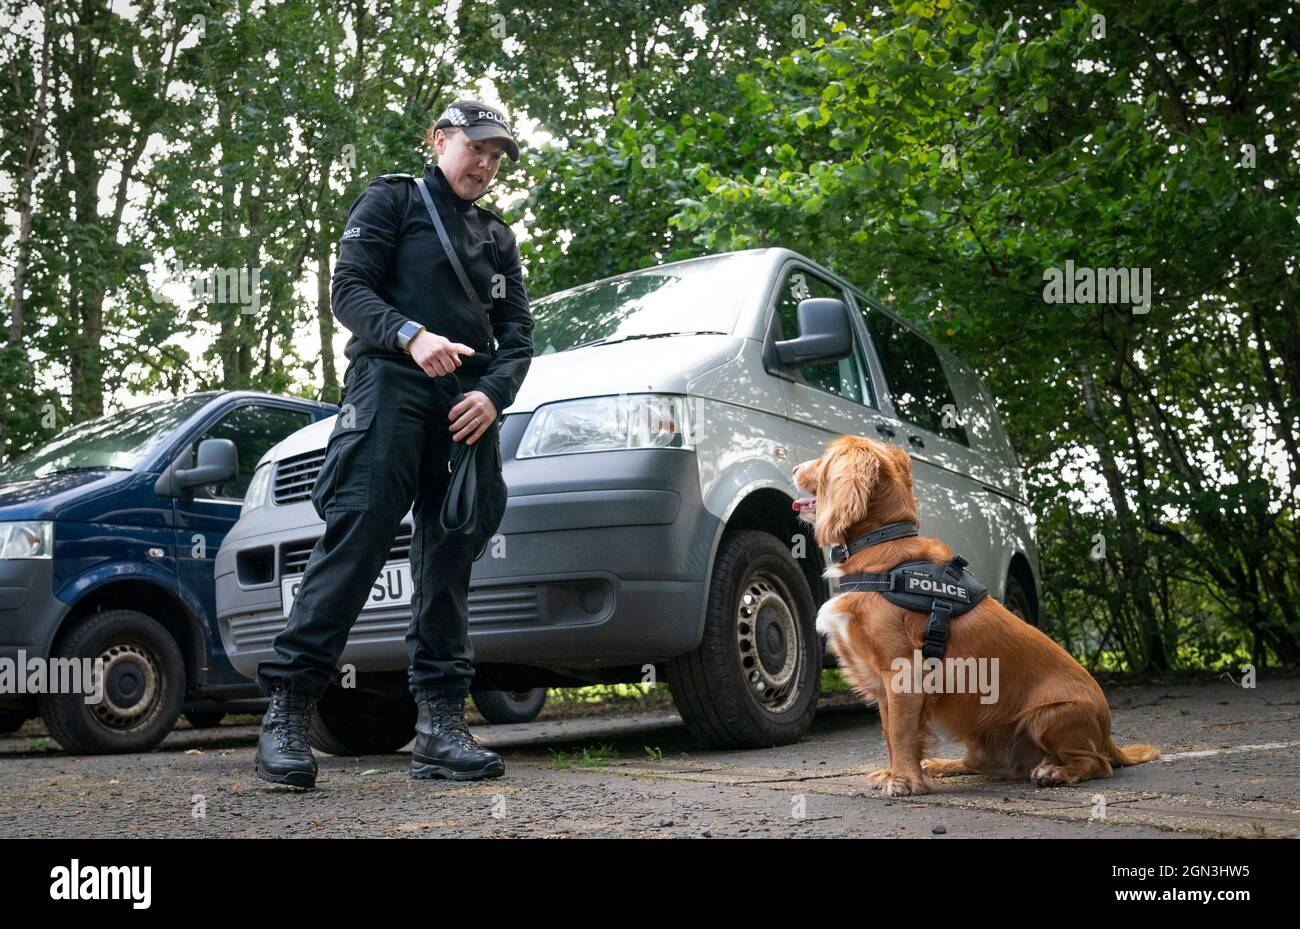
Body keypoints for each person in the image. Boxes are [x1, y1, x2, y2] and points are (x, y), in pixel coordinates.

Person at [253, 98, 534, 788]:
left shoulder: (498, 238)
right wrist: (412, 335)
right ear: (439, 140)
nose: (487, 164)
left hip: (465, 406)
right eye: (477, 148)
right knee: (359, 536)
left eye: (499, 155)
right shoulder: (395, 201)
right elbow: (347, 291)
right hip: (390, 382)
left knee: (450, 553)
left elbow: (518, 337)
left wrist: (492, 396)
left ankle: (440, 725)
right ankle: (287, 712)